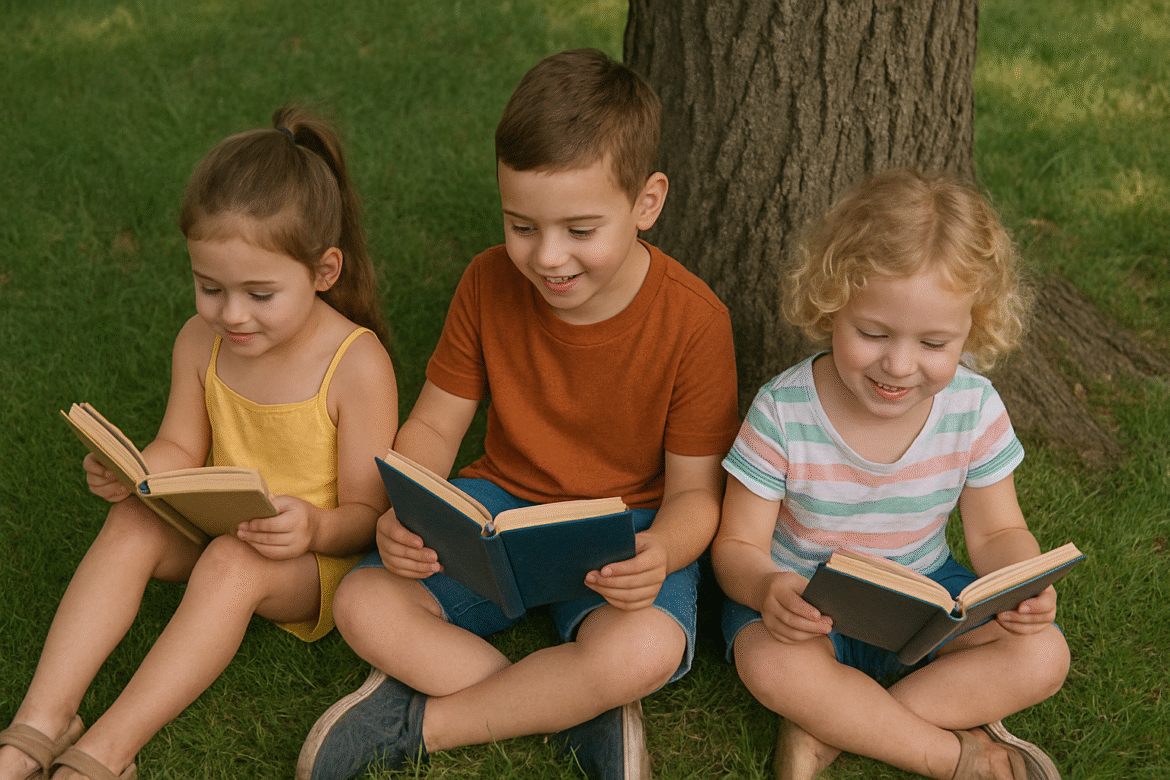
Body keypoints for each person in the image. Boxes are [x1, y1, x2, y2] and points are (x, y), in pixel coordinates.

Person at [296, 48, 740, 780]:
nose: (547, 257)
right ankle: (576, 706)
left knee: (646, 649)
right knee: (366, 601)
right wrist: (406, 506)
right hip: (496, 512)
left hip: (625, 530)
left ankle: (422, 723)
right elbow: (438, 423)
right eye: (522, 226)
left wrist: (662, 552)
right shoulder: (486, 281)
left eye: (579, 229)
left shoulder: (695, 322)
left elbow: (696, 493)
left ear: (647, 203)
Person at [0, 107, 398, 780]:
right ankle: (41, 721)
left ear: (324, 271)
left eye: (259, 293)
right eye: (209, 287)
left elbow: (366, 519)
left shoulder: (357, 364)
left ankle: (105, 751)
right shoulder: (199, 339)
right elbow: (179, 449)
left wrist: (314, 528)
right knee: (131, 521)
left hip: (310, 563)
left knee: (230, 566)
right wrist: (137, 475)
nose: (230, 314)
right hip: (222, 524)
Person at [712, 168, 1071, 780]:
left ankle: (829, 725)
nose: (899, 365)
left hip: (925, 599)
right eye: (872, 333)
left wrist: (1023, 584)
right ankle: (949, 755)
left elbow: (997, 533)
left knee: (1044, 655)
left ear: (972, 330)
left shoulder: (974, 407)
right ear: (831, 305)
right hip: (807, 608)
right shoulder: (783, 410)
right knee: (770, 663)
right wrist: (768, 591)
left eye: (934, 344)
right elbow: (737, 545)